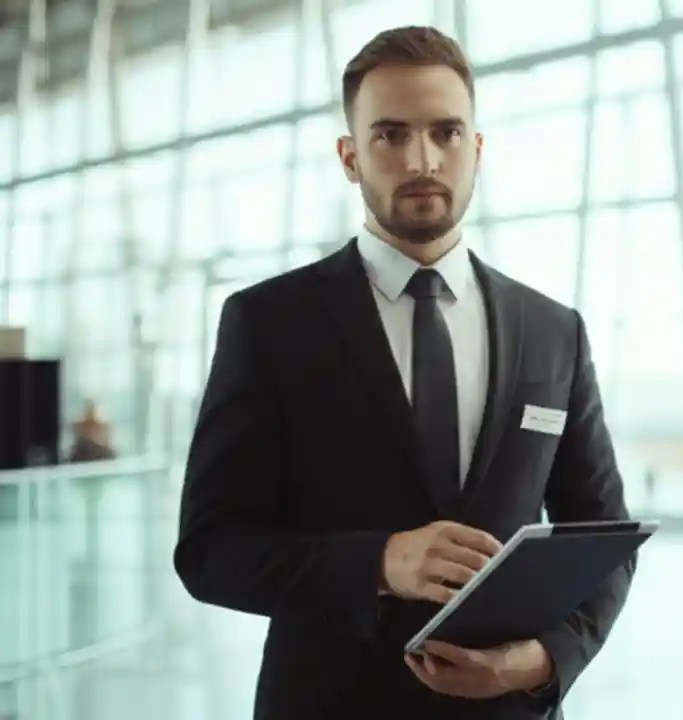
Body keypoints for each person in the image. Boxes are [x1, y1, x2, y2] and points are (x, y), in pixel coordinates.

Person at [174, 26, 634, 719]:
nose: (423, 159)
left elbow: (603, 536)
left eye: (447, 132)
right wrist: (382, 564)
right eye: (390, 135)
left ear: (476, 149)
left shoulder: (553, 331)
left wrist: (542, 659)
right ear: (350, 156)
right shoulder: (270, 323)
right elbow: (211, 551)